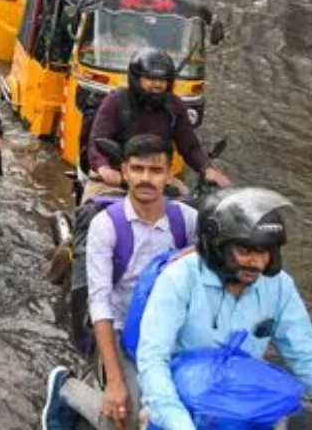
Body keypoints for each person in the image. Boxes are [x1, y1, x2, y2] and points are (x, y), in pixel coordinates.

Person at [135, 187, 312, 430]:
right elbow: (153, 360)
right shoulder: (179, 279)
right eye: (245, 251)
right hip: (182, 404)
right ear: (217, 248)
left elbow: (306, 357)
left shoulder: (279, 286)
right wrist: (178, 422)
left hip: (242, 399)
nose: (257, 263)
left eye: (265, 252)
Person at [42, 134, 198, 430]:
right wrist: (115, 382)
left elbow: (221, 255)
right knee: (126, 416)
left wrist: (197, 251)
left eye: (155, 171)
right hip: (122, 328)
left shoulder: (187, 220)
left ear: (170, 174)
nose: (145, 179)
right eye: (138, 169)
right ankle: (67, 389)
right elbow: (99, 302)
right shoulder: (107, 225)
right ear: (124, 171)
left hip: (174, 328)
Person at [83, 49, 230, 200]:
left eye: (163, 80)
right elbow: (97, 141)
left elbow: (190, 146)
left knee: (191, 212)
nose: (158, 84)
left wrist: (207, 168)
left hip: (158, 176)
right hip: (115, 176)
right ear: (136, 78)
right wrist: (104, 168)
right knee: (91, 212)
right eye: (151, 79)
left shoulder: (175, 105)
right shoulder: (115, 101)